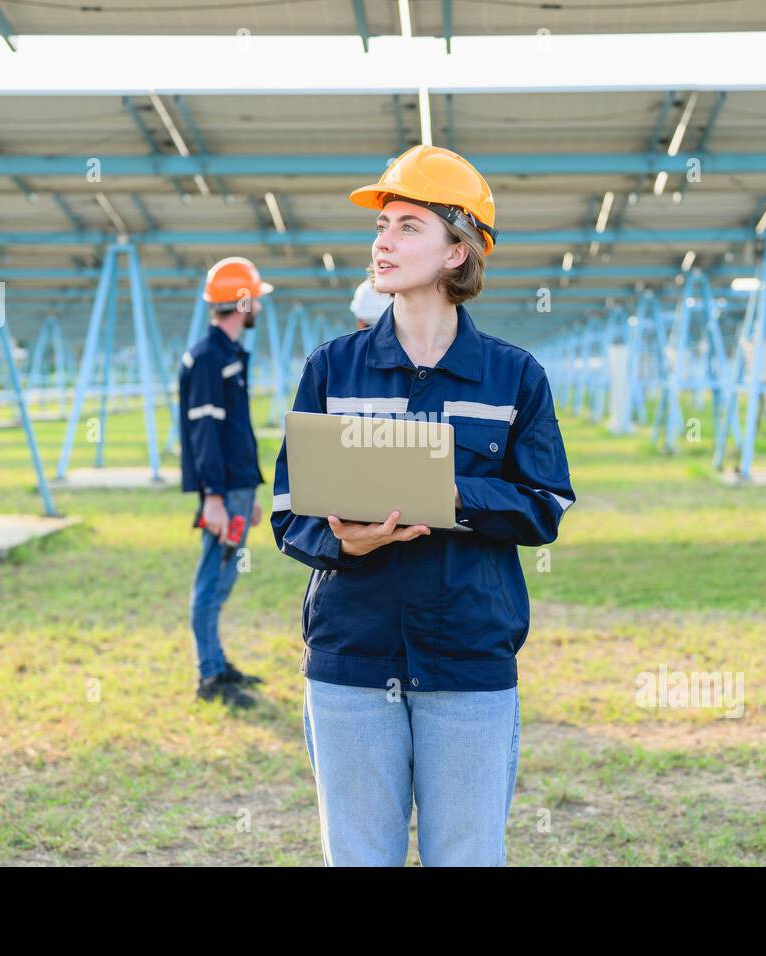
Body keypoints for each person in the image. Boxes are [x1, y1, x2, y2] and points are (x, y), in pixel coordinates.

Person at [270, 145, 576, 865]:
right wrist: (348, 542)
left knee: (466, 856)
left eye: (408, 225)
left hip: (466, 658)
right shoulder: (330, 368)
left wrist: (441, 494)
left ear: (455, 251)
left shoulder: (512, 377)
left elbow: (544, 505)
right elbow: (289, 510)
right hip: (351, 657)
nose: (383, 241)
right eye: (381, 226)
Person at [179, 256, 272, 709]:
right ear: (242, 301)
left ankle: (217, 662)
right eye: (255, 297)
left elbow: (233, 431)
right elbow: (205, 435)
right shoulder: (208, 359)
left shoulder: (228, 355)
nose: (259, 305)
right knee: (212, 582)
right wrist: (214, 499)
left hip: (235, 490)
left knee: (223, 578)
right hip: (221, 494)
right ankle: (209, 675)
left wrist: (246, 491)